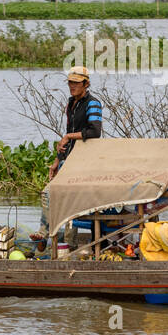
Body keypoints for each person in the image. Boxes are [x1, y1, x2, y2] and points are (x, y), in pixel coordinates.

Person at [44, 66, 102, 249]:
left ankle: (73, 245)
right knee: (50, 194)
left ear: (86, 84)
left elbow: (95, 131)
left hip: (85, 162)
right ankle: (50, 238)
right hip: (69, 160)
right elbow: (68, 134)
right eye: (70, 82)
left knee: (77, 202)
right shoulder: (71, 103)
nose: (72, 86)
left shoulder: (93, 103)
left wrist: (69, 136)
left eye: (76, 82)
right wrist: (56, 161)